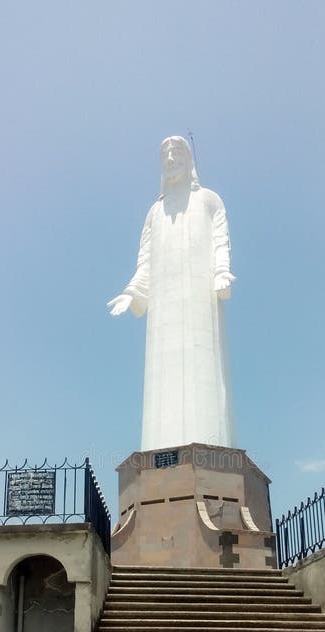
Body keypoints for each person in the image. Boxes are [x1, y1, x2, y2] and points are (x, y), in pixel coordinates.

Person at [108, 136, 236, 451]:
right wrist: (131, 292)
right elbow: (145, 261)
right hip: (163, 315)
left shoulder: (209, 200)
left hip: (200, 306)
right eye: (164, 153)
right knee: (161, 393)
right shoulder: (154, 213)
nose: (169, 157)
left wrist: (221, 271)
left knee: (204, 384)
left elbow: (221, 240)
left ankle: (212, 456)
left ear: (189, 160)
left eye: (176, 151)